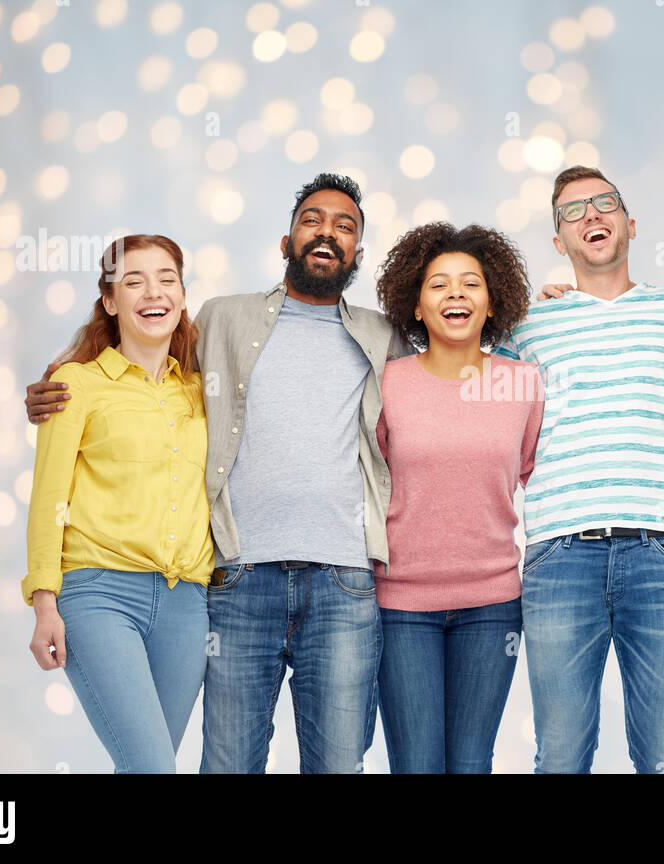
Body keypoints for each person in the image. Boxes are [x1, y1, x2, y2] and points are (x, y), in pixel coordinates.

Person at [26, 174, 414, 773]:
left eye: (344, 226)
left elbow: (447, 375)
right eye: (312, 220)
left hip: (342, 584)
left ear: (357, 252)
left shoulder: (382, 336)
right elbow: (138, 353)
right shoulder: (222, 319)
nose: (327, 233)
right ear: (286, 241)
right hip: (237, 580)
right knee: (222, 763)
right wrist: (54, 387)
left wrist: (535, 317)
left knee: (337, 764)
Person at [493, 166, 664, 774]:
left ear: (630, 224)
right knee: (561, 757)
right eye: (573, 210)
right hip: (559, 554)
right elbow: (480, 409)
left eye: (604, 203)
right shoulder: (527, 325)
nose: (591, 215)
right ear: (559, 240)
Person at [24, 234, 211, 773]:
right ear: (109, 301)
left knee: (145, 767)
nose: (153, 293)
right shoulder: (75, 385)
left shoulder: (202, 391)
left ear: (182, 295)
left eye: (167, 279)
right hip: (99, 595)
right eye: (134, 281)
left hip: (187, 603)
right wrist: (44, 602)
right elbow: (49, 498)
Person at [372, 223, 542, 773]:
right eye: (439, 284)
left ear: (492, 303)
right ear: (416, 306)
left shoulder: (523, 383)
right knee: (416, 763)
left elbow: (531, 472)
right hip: (400, 605)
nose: (456, 295)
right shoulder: (386, 383)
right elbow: (371, 480)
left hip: (493, 605)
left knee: (470, 763)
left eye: (471, 283)